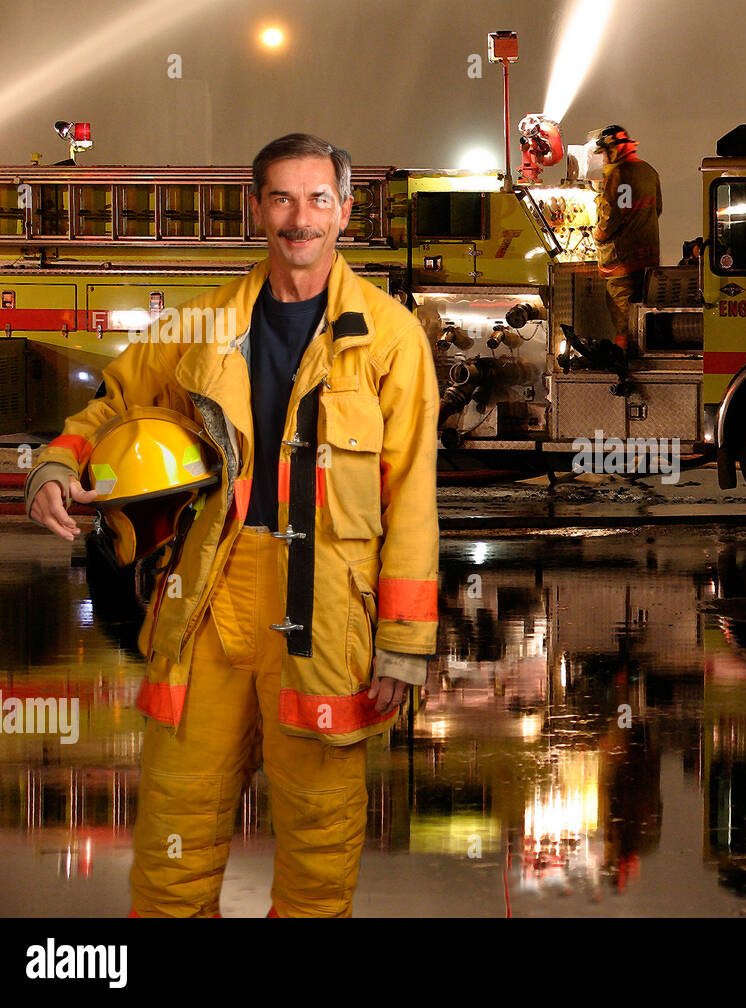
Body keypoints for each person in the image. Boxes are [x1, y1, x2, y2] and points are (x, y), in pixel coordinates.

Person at [25, 133, 439, 917]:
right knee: (174, 846)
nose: (300, 217)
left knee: (319, 857)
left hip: (327, 618)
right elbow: (116, 403)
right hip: (208, 601)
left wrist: (405, 645)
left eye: (318, 198)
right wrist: (56, 464)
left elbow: (411, 496)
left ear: (346, 212)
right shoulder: (201, 326)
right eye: (281, 197)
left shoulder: (390, 340)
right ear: (256, 209)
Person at [591, 125, 662, 352]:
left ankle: (624, 368)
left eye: (603, 153)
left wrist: (598, 235)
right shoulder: (649, 171)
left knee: (624, 322)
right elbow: (657, 209)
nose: (602, 159)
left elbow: (613, 215)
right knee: (644, 317)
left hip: (621, 264)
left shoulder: (619, 174)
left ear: (613, 150)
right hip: (647, 261)